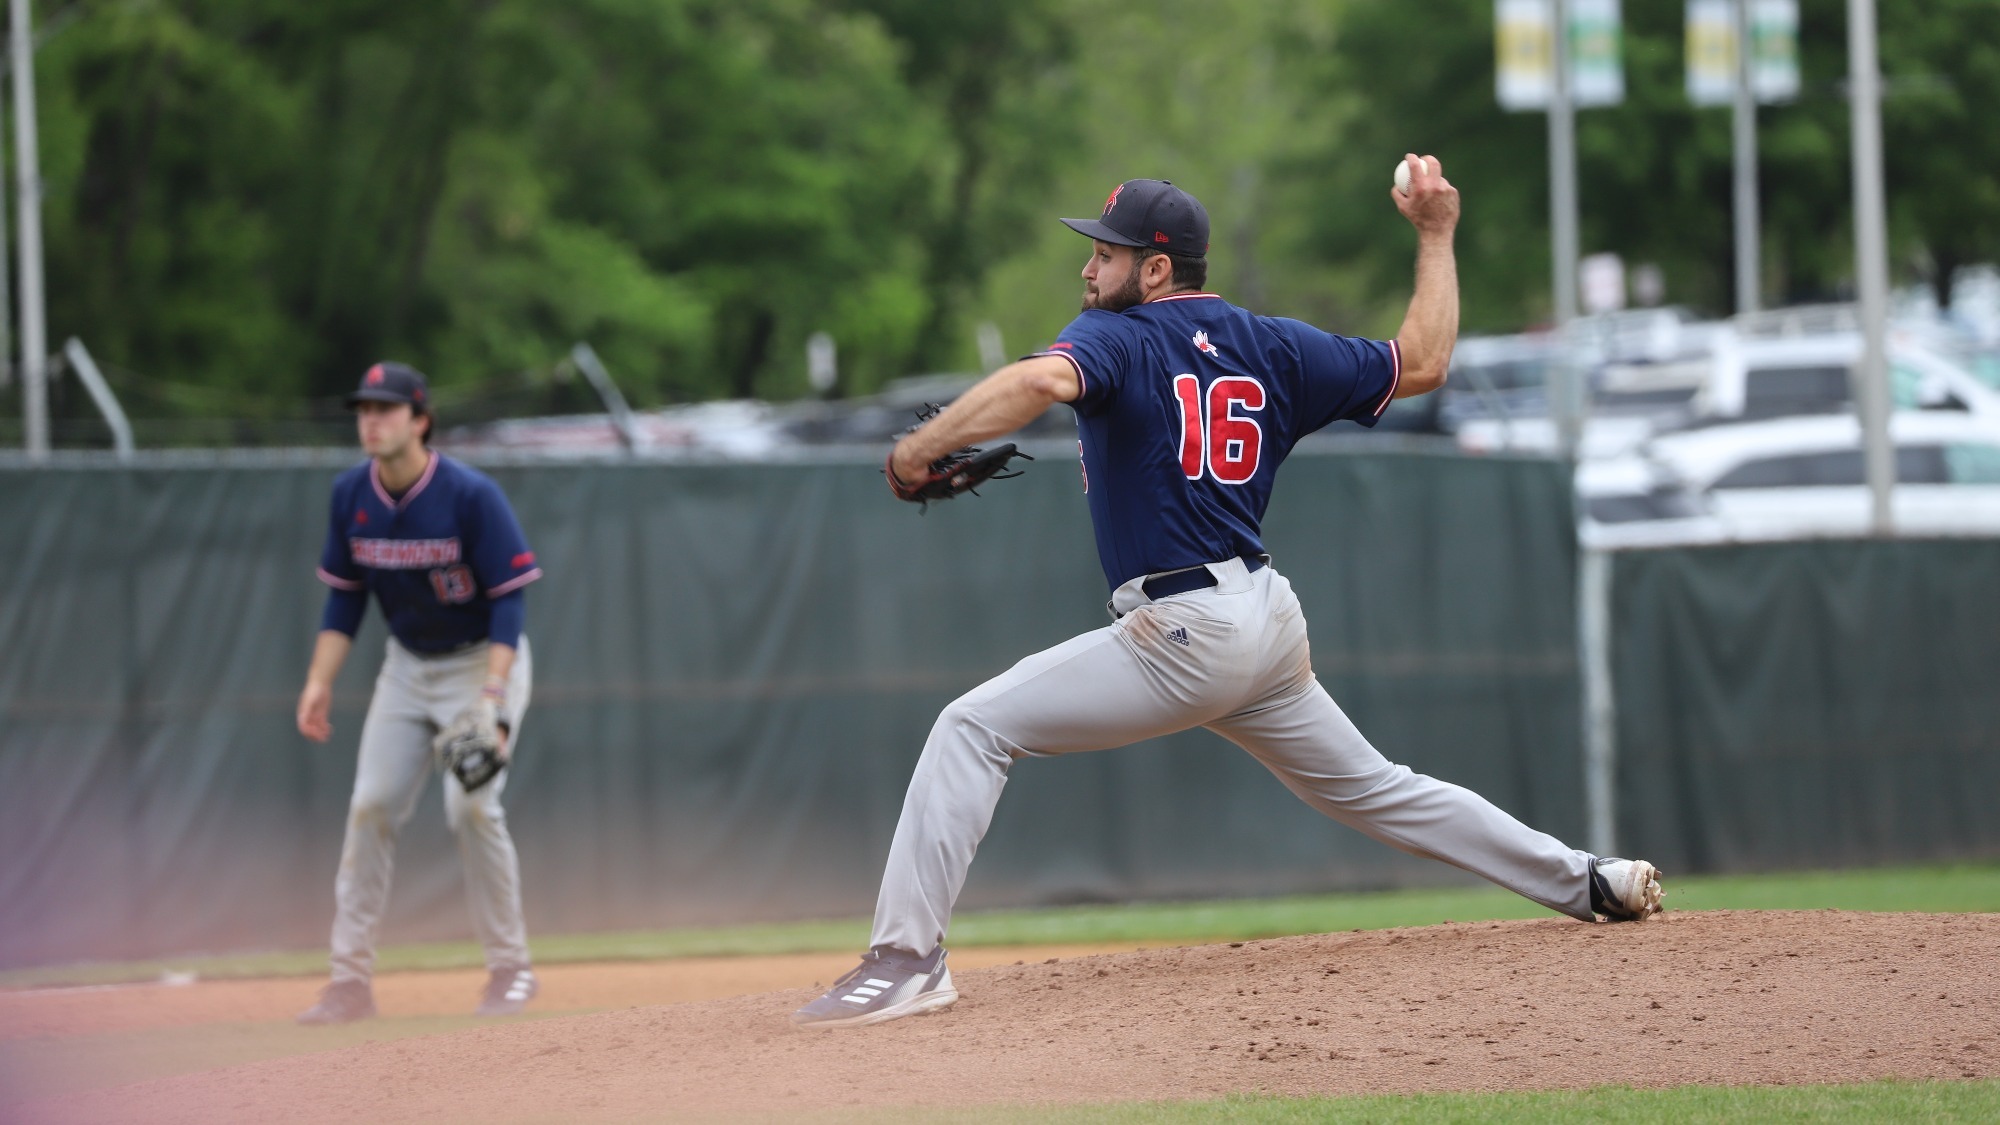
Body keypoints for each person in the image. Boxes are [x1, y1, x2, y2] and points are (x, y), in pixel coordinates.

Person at [792, 163, 1662, 1031]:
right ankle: (1588, 878)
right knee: (1378, 786)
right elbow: (1424, 361)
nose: (1090, 271)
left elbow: (1034, 383)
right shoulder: (1271, 342)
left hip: (1186, 630)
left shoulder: (1120, 338)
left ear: (1158, 269)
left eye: (1107, 254)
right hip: (1267, 623)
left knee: (972, 726)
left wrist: (916, 450)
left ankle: (906, 960)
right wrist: (1435, 235)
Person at [294, 362, 545, 1024]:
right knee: (371, 805)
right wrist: (320, 681)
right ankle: (348, 983)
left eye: (385, 407)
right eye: (363, 408)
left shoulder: (468, 494)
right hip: (406, 667)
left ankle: (511, 970)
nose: (371, 419)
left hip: (480, 663)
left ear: (419, 419)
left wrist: (491, 703)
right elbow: (343, 602)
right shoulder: (352, 494)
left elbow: (509, 604)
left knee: (471, 810)